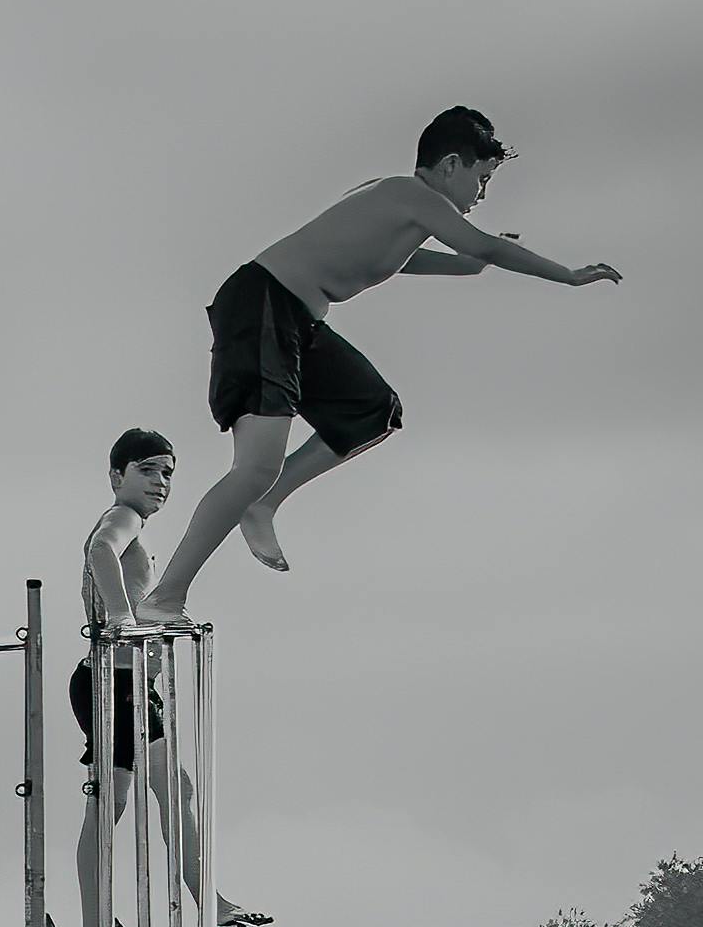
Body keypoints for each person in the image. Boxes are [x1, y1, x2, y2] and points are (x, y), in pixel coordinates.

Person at [152, 105, 623, 613]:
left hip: (298, 322)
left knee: (371, 410)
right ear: (449, 165)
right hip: (264, 304)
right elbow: (485, 247)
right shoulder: (408, 193)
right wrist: (567, 275)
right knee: (254, 466)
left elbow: (404, 257)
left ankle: (265, 501)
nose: (482, 195)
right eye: (481, 179)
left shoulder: (407, 209)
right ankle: (167, 595)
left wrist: (468, 266)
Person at [67, 425, 187, 927]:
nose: (160, 483)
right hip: (113, 682)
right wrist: (121, 617)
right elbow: (100, 550)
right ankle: (210, 904)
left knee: (116, 802)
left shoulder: (133, 522)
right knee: (166, 788)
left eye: (167, 474)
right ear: (117, 476)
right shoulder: (124, 518)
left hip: (123, 683)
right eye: (148, 470)